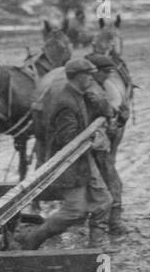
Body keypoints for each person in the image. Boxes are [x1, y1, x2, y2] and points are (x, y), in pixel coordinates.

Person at [12, 58, 114, 249]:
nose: (92, 79)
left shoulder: (81, 95)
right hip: (70, 163)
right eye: (89, 75)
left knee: (104, 200)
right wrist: (93, 138)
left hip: (83, 158)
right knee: (75, 211)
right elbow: (67, 140)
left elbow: (106, 112)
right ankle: (33, 238)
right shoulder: (66, 102)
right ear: (78, 77)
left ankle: (95, 245)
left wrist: (100, 103)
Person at [87, 53, 131, 237]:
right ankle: (114, 223)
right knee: (112, 182)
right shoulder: (95, 91)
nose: (107, 76)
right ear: (94, 72)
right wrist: (118, 114)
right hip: (97, 146)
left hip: (92, 143)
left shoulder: (95, 87)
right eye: (105, 72)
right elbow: (107, 111)